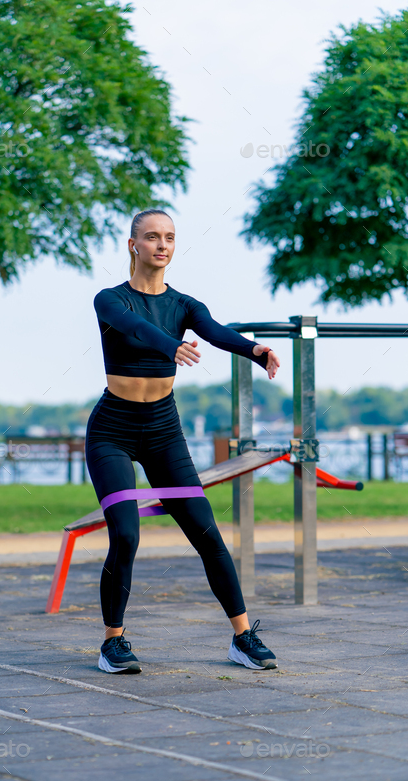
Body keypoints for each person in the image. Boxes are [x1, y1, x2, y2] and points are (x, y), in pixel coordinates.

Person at [85, 208, 281, 675]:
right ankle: (112, 642)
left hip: (163, 431)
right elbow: (136, 328)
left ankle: (242, 637)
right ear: (133, 244)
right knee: (126, 534)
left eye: (169, 237)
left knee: (206, 532)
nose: (162, 245)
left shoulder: (185, 305)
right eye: (152, 237)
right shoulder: (109, 299)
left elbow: (214, 331)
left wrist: (254, 350)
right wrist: (169, 345)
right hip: (112, 431)